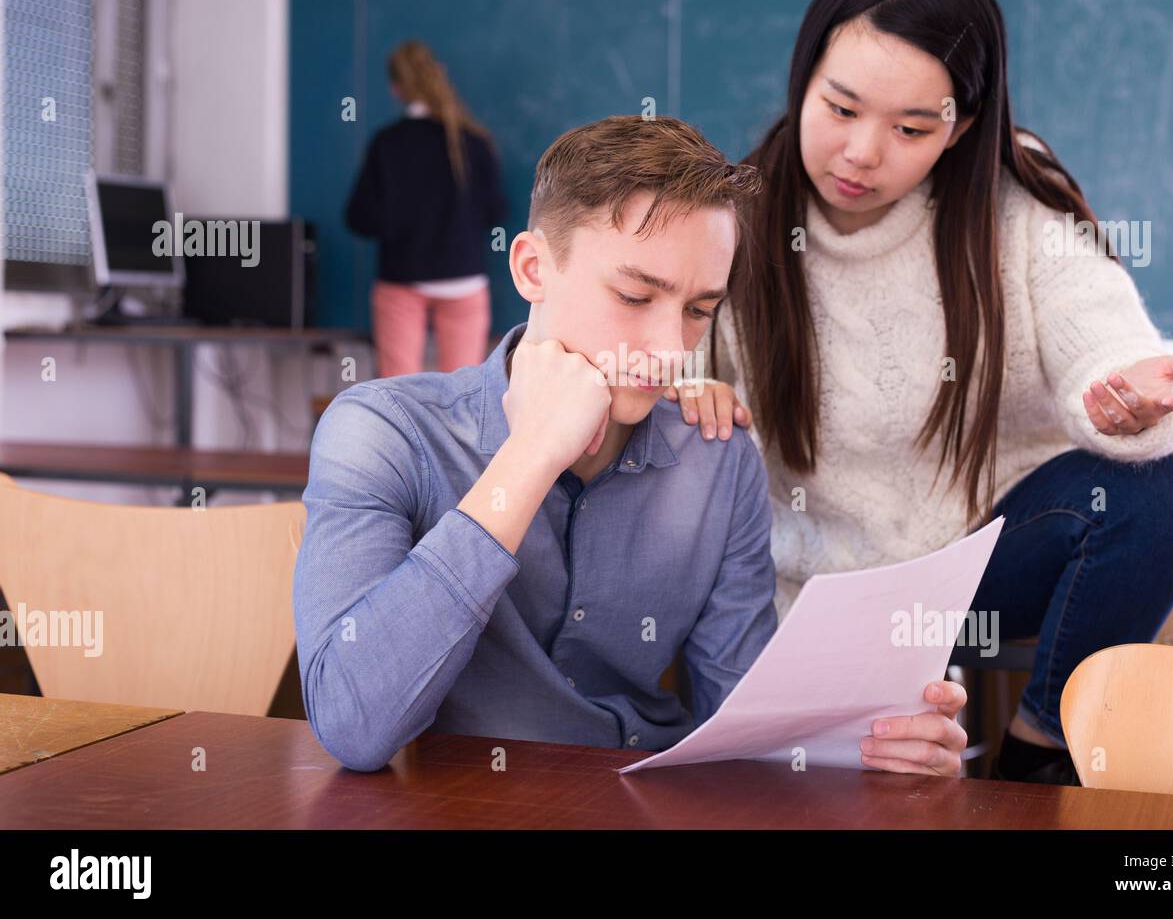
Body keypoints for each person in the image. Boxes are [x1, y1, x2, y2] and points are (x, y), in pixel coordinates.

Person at [666, 0, 1173, 785]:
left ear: (959, 128)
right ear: (802, 77)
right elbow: (652, 360)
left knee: (1163, 489)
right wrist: (685, 389)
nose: (861, 152)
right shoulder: (730, 217)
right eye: (841, 108)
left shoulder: (1011, 196)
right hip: (821, 593)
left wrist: (1121, 392)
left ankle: (1040, 756)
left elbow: (1096, 326)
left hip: (973, 573)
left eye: (911, 128)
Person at [295, 115, 968, 774]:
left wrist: (867, 746)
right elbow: (354, 727)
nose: (670, 349)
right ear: (532, 268)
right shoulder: (382, 432)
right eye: (634, 295)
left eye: (699, 310)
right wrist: (530, 455)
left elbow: (742, 725)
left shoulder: (716, 457)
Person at [345, 40, 505, 377]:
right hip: (464, 279)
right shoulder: (473, 142)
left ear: (396, 88)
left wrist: (400, 223)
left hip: (402, 278)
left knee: (398, 392)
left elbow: (358, 216)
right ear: (439, 74)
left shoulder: (387, 142)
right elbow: (494, 210)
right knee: (466, 395)